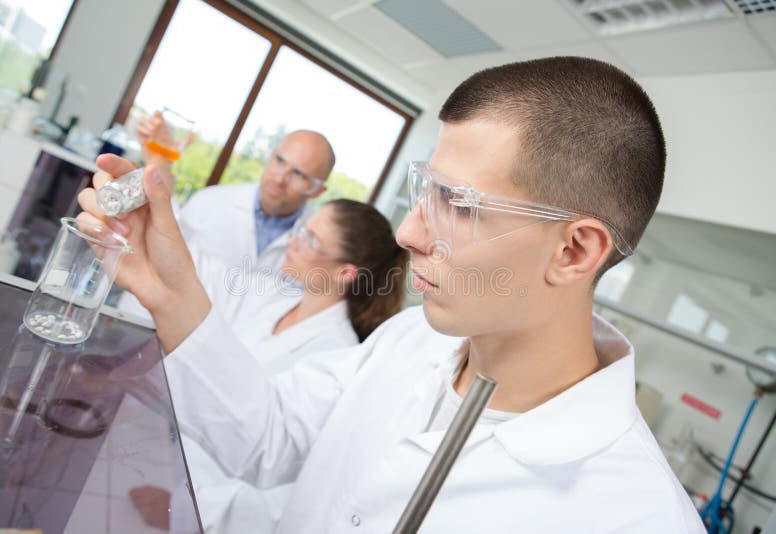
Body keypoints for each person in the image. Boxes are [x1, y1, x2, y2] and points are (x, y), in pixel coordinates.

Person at [78, 56, 705, 532]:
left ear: (574, 252)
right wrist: (171, 293)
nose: (408, 233)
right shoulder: (408, 340)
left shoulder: (634, 515)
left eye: (456, 204)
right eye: (425, 192)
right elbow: (266, 439)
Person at [144, 198, 408, 533]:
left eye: (311, 240)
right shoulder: (272, 299)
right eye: (301, 229)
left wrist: (181, 509)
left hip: (194, 510)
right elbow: (202, 285)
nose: (293, 241)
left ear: (345, 273)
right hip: (171, 462)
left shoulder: (338, 358)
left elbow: (285, 492)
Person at [139, 113, 335, 271]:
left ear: (317, 191)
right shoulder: (210, 201)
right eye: (279, 161)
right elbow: (161, 243)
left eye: (298, 174)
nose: (280, 178)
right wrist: (159, 163)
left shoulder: (319, 248)